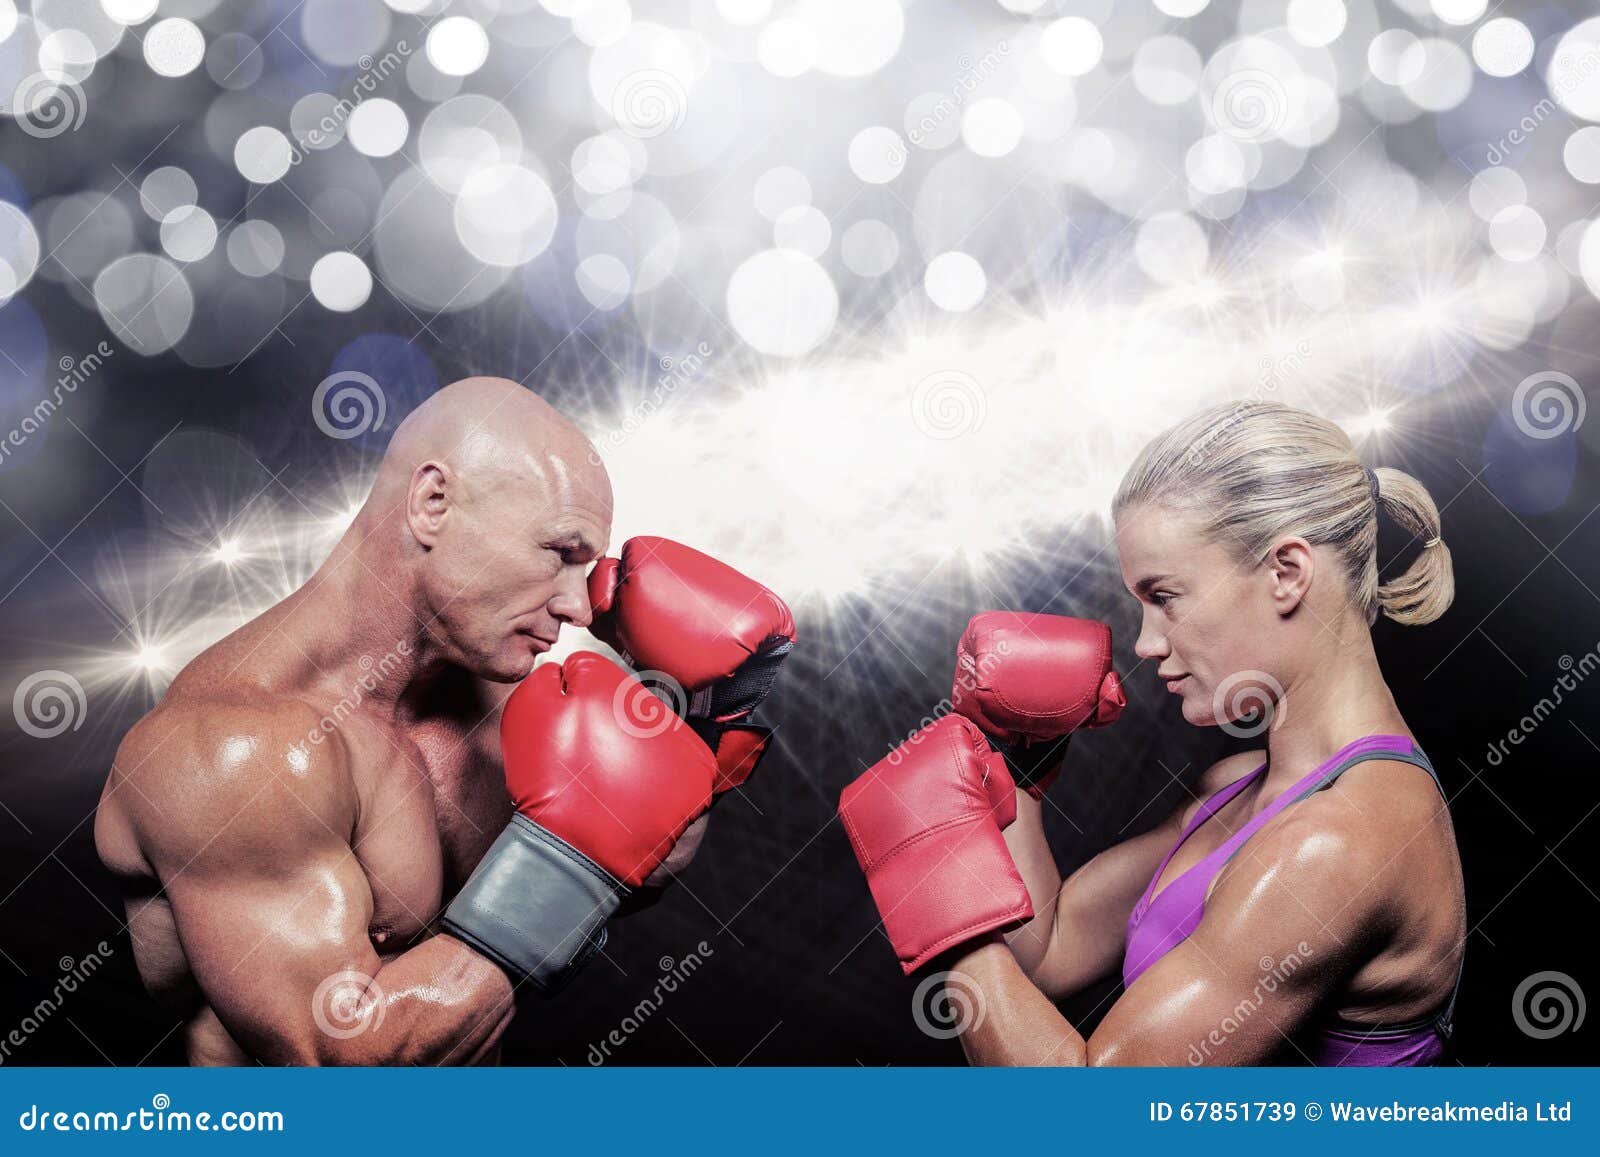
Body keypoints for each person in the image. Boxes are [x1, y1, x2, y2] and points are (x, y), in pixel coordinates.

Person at [94, 377, 793, 1065]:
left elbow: (604, 883)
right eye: (559, 552)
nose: (581, 608)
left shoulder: (500, 700)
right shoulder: (238, 752)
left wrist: (696, 723)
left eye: (589, 569)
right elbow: (346, 1061)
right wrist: (571, 861)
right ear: (432, 503)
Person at [841, 400, 1466, 1065]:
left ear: (1287, 572)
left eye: (1164, 595)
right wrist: (1021, 774)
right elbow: (1048, 949)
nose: (1142, 642)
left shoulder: (1338, 843)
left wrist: (937, 881)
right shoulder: (1238, 787)